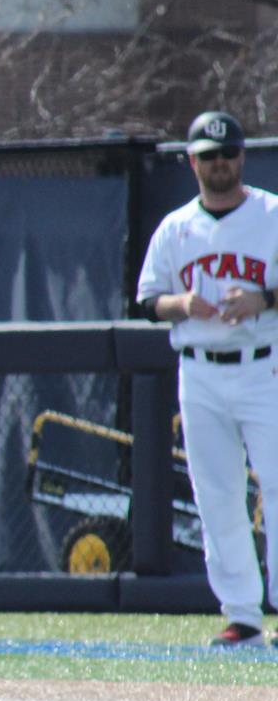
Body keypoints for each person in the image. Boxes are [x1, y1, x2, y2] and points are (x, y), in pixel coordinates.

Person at [136, 109, 278, 647]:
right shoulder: (176, 228)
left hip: (265, 363)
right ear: (191, 161)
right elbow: (150, 300)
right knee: (216, 492)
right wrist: (181, 303)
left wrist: (263, 298)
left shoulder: (271, 213)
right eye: (208, 155)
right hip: (200, 371)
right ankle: (242, 614)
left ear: (242, 156)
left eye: (228, 153)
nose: (219, 163)